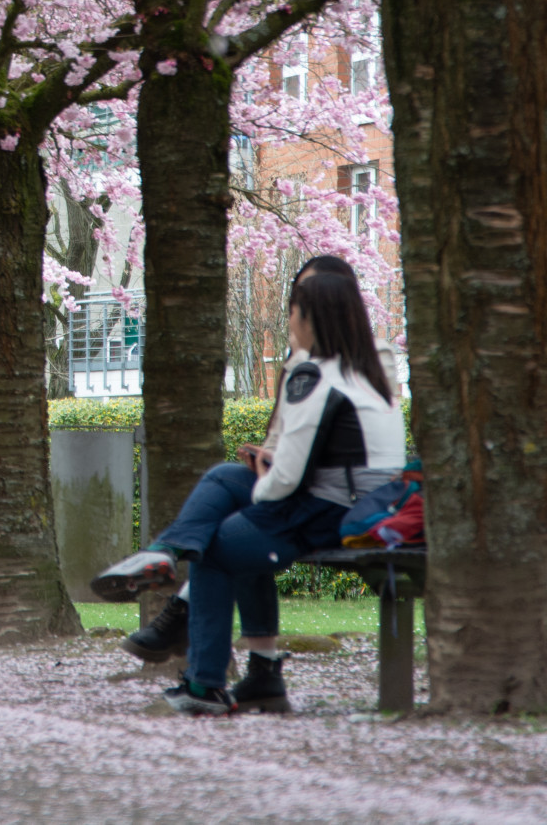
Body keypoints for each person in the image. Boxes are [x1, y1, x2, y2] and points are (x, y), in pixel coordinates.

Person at [92, 263, 403, 715]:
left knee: (220, 544)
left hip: (328, 511)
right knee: (224, 479)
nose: (288, 322)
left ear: (310, 317)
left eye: (292, 311)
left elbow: (288, 479)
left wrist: (255, 497)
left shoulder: (312, 375)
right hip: (364, 503)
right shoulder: (365, 369)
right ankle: (170, 560)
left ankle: (205, 684)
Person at [118, 255, 363, 668]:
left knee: (231, 529)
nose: (294, 313)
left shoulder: (346, 368)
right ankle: (244, 663)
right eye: (296, 299)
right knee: (231, 489)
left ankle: (194, 642)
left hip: (324, 504)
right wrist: (268, 457)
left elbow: (337, 454)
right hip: (300, 488)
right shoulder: (300, 367)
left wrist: (274, 471)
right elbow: (288, 440)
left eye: (304, 303)